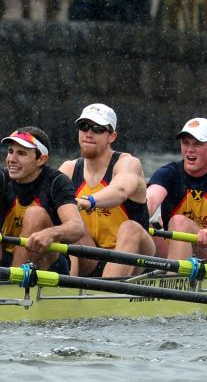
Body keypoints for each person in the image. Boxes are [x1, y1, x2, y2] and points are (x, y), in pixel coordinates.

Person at [57, 103, 154, 277]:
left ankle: (107, 294)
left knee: (130, 228)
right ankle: (66, 288)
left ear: (111, 136)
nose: (89, 133)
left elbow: (120, 190)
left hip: (134, 256)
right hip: (90, 255)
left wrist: (89, 201)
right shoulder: (68, 169)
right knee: (71, 224)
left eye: (98, 129)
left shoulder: (127, 163)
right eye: (84, 126)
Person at [0, 126, 84, 272]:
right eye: (10, 151)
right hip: (3, 257)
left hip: (47, 264)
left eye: (21, 153)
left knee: (35, 214)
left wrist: (50, 233)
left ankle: (12, 285)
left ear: (41, 159)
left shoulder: (57, 182)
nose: (12, 159)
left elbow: (77, 227)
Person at [146, 117, 207, 265]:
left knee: (179, 222)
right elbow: (150, 201)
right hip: (172, 246)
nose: (190, 149)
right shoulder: (167, 172)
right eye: (185, 143)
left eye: (197, 144)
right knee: (136, 227)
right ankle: (115, 278)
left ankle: (174, 282)